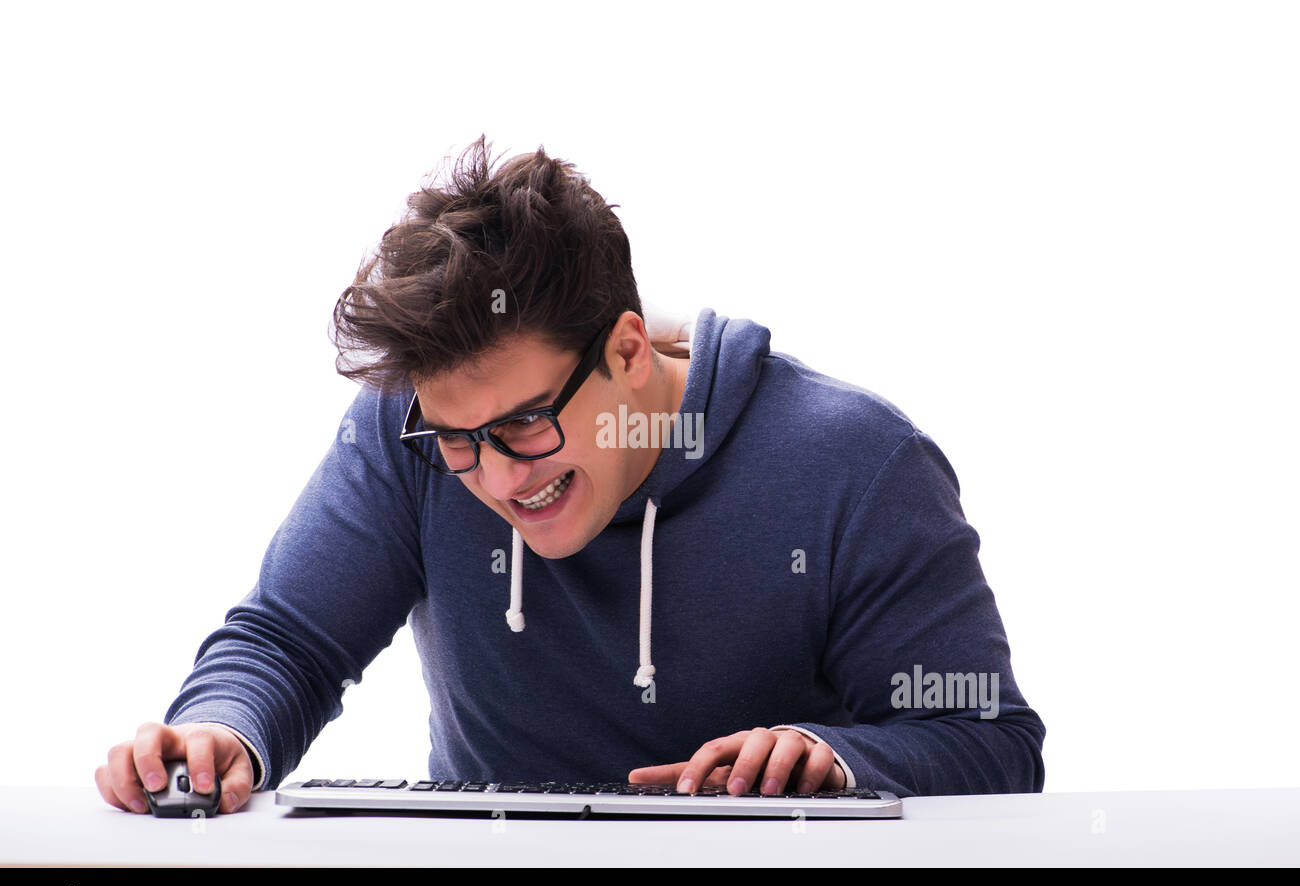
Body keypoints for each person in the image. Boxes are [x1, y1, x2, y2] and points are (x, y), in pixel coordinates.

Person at [96, 135, 1046, 815]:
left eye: (523, 425)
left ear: (629, 350)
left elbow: (992, 737)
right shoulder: (411, 433)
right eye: (457, 438)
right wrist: (221, 733)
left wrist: (834, 758)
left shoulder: (857, 466)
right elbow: (288, 642)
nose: (495, 478)